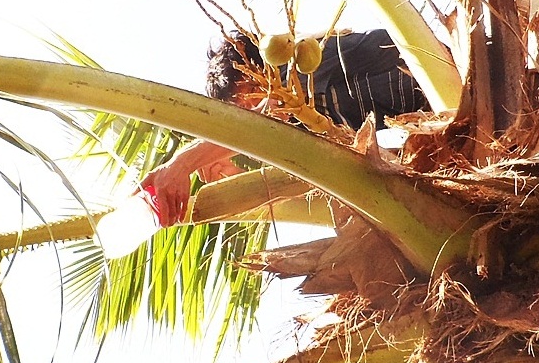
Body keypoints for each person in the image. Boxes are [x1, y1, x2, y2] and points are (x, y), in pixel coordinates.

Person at [141, 28, 429, 226]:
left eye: (251, 92)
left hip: (456, 78)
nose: (253, 106)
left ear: (261, 66)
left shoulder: (298, 62)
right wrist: (233, 178)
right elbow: (303, 185)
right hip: (446, 128)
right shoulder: (303, 124)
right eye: (242, 108)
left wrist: (182, 163)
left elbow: (263, 119)